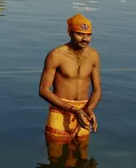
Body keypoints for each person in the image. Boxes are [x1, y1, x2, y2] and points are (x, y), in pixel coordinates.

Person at [39, 14, 102, 159]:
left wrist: (90, 108)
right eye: (80, 34)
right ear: (70, 33)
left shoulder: (93, 55)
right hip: (60, 112)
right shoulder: (56, 55)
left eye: (88, 35)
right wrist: (73, 110)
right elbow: (43, 90)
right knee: (56, 159)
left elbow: (97, 88)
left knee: (82, 156)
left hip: (84, 111)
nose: (85, 39)